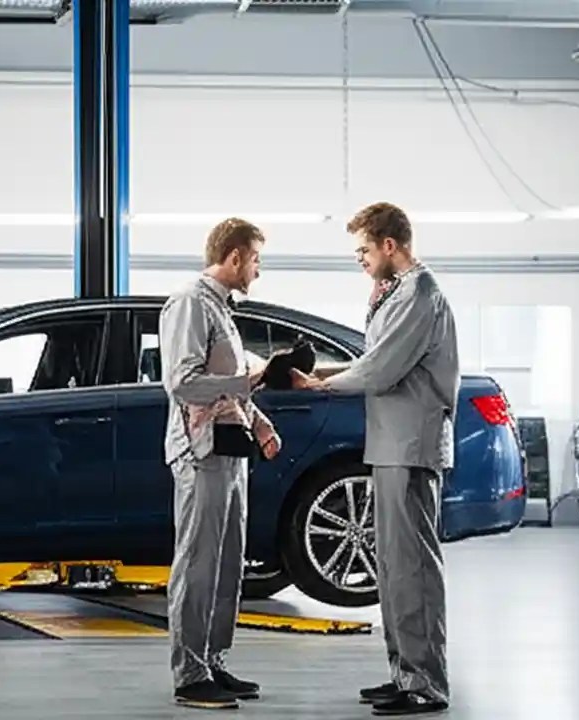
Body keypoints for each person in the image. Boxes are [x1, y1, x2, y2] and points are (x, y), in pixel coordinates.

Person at [290, 202, 457, 717]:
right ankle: (404, 674)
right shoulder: (397, 293)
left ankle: (426, 684)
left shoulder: (421, 294)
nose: (359, 258)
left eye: (364, 249)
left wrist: (320, 385)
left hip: (411, 445)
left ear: (390, 244)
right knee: (392, 567)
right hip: (391, 444)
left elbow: (381, 370)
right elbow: (373, 361)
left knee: (413, 568)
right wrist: (322, 373)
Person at [159, 217, 283, 710]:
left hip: (232, 449)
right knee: (199, 562)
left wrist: (260, 424)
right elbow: (183, 382)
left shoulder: (221, 309)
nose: (258, 270)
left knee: (229, 562)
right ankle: (189, 675)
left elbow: (229, 387)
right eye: (255, 259)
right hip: (200, 451)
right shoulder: (189, 303)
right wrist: (249, 382)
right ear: (234, 257)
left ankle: (212, 661)